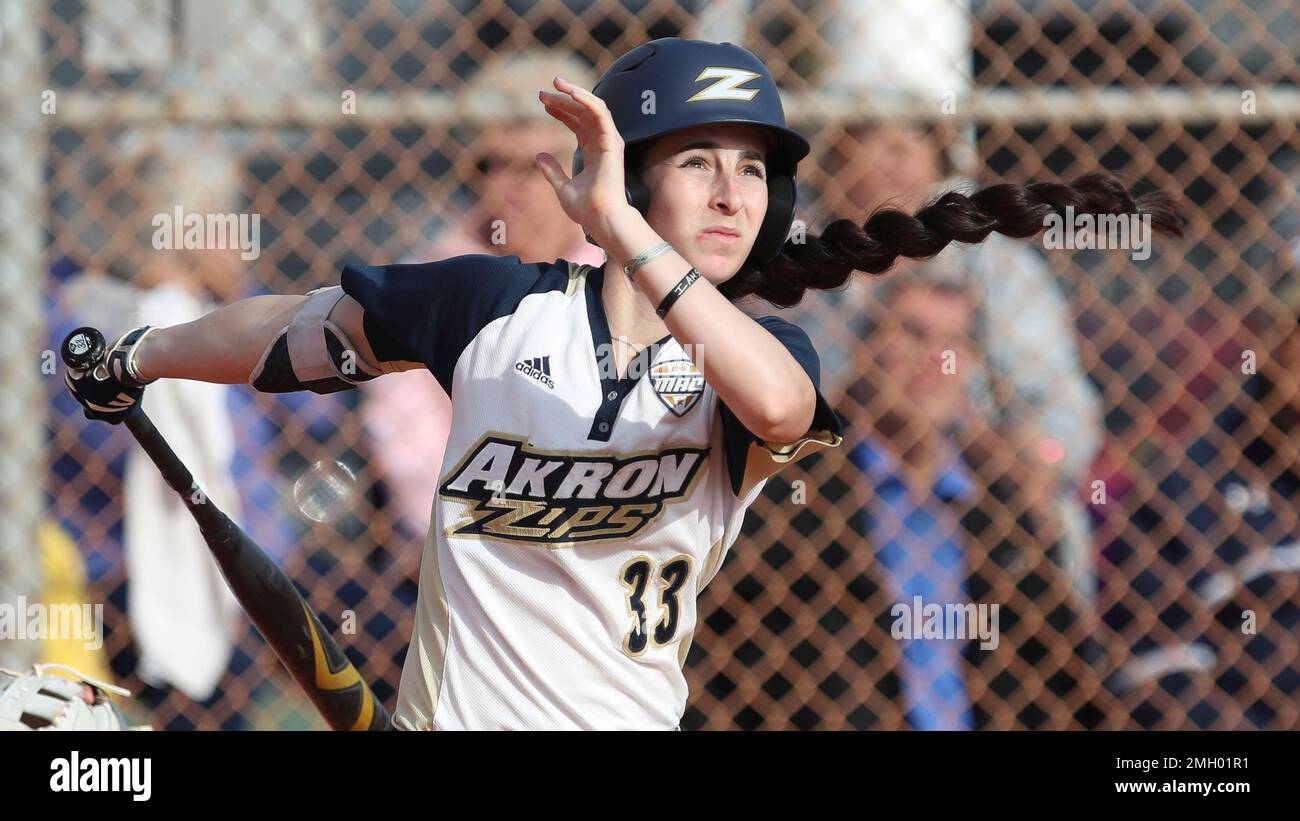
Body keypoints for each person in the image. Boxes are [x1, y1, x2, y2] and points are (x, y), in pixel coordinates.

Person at [63, 37, 1180, 730]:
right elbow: (289, 331)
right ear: (636, 172)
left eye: (751, 168)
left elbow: (784, 415)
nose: (732, 190)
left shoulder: (762, 359)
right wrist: (142, 358)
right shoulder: (489, 306)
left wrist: (629, 237)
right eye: (698, 160)